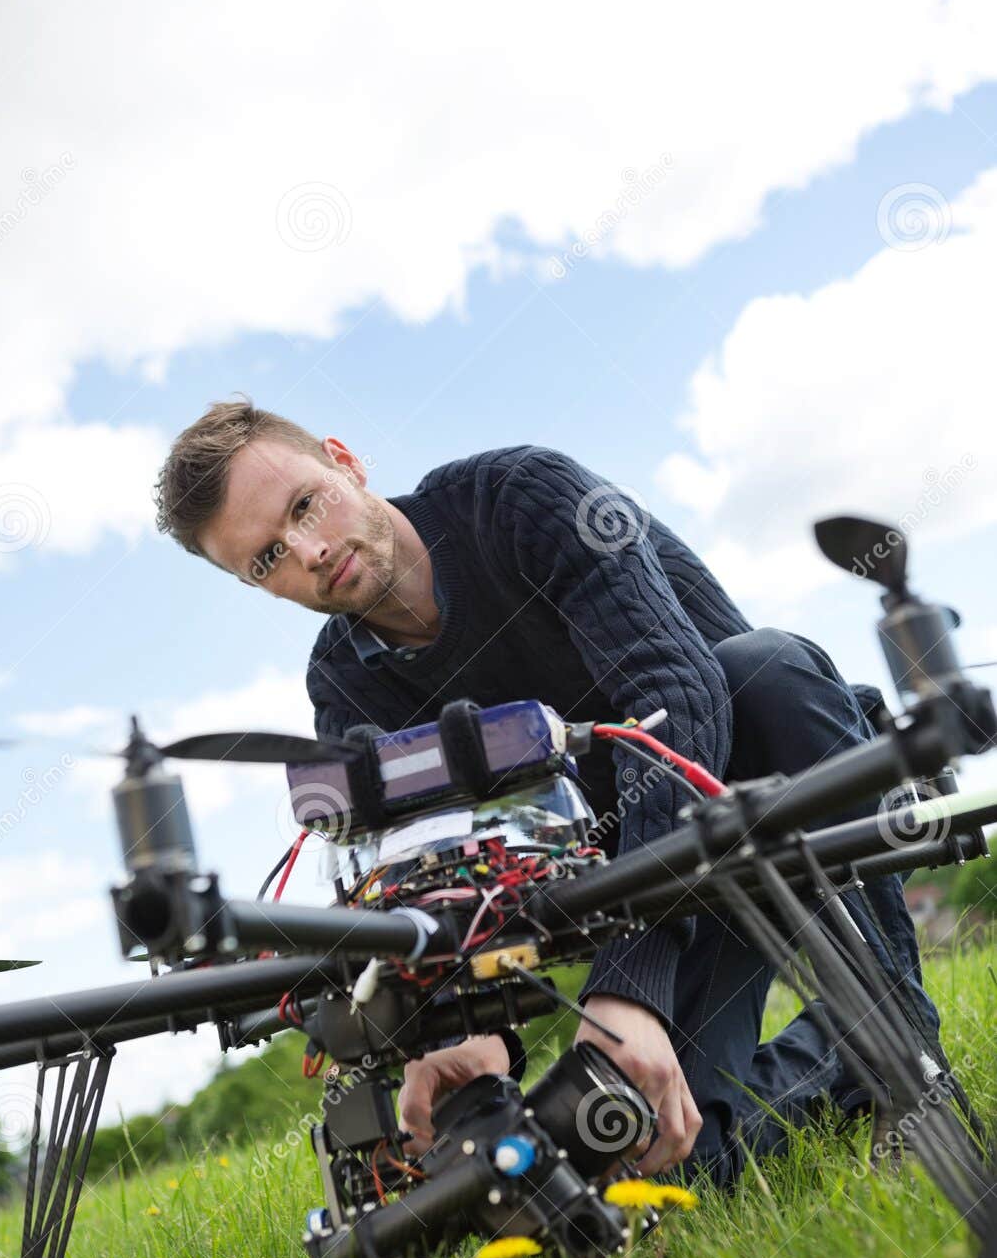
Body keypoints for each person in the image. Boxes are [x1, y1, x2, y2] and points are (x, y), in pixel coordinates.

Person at [154, 396, 941, 1185]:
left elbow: (678, 694)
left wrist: (628, 985)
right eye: (265, 558)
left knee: (761, 666)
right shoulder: (340, 684)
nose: (309, 550)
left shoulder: (525, 498)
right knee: (663, 1153)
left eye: (303, 504)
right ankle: (850, 1057)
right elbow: (421, 871)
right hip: (659, 892)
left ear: (344, 462)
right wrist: (457, 1028)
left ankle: (910, 1073)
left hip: (770, 793)